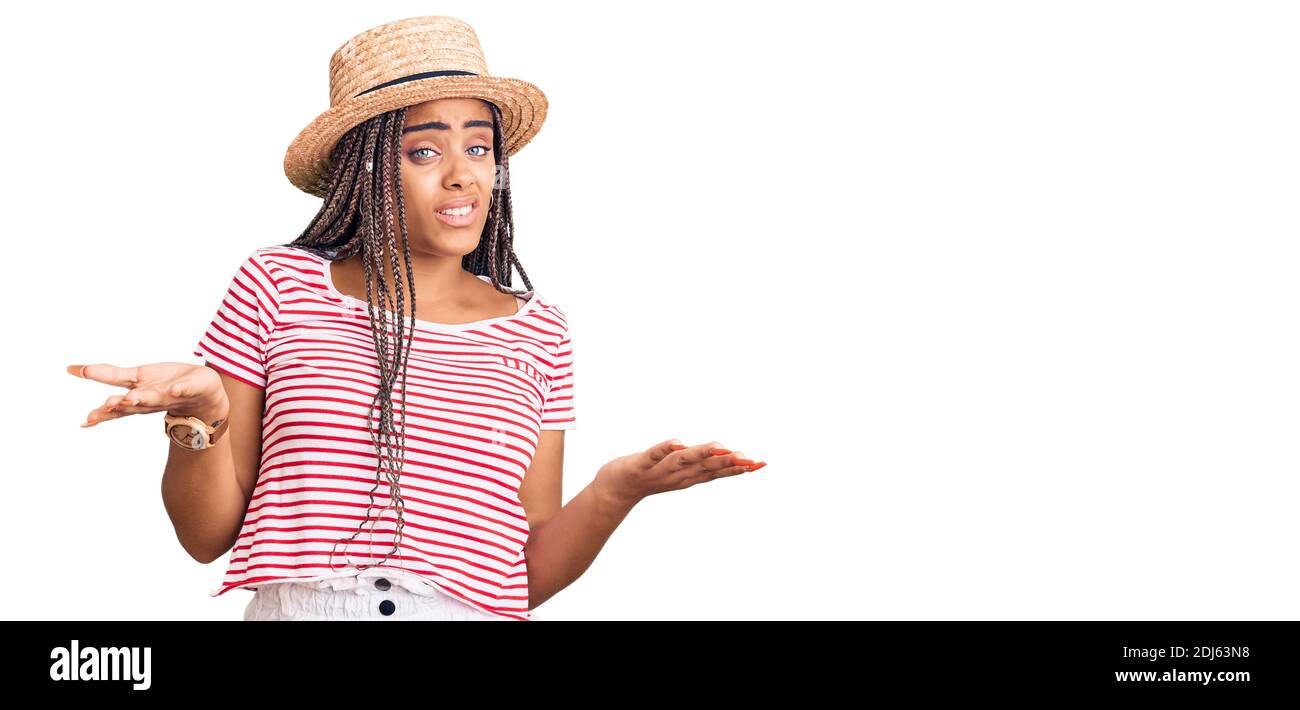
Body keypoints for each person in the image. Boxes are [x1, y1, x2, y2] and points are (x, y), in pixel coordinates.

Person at [67, 16, 766, 621]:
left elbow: (519, 579)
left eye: (480, 146)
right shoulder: (276, 286)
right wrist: (202, 416)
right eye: (425, 150)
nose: (462, 174)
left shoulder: (540, 331)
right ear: (365, 168)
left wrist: (620, 489)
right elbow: (205, 536)